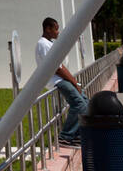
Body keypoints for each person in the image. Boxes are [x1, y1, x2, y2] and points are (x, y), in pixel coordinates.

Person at [36, 17, 87, 146]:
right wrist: (74, 83)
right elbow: (56, 69)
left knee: (85, 101)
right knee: (79, 104)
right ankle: (65, 136)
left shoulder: (50, 44)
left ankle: (77, 136)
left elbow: (61, 66)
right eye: (56, 29)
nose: (58, 32)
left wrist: (74, 81)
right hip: (55, 80)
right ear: (48, 29)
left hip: (61, 78)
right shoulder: (43, 44)